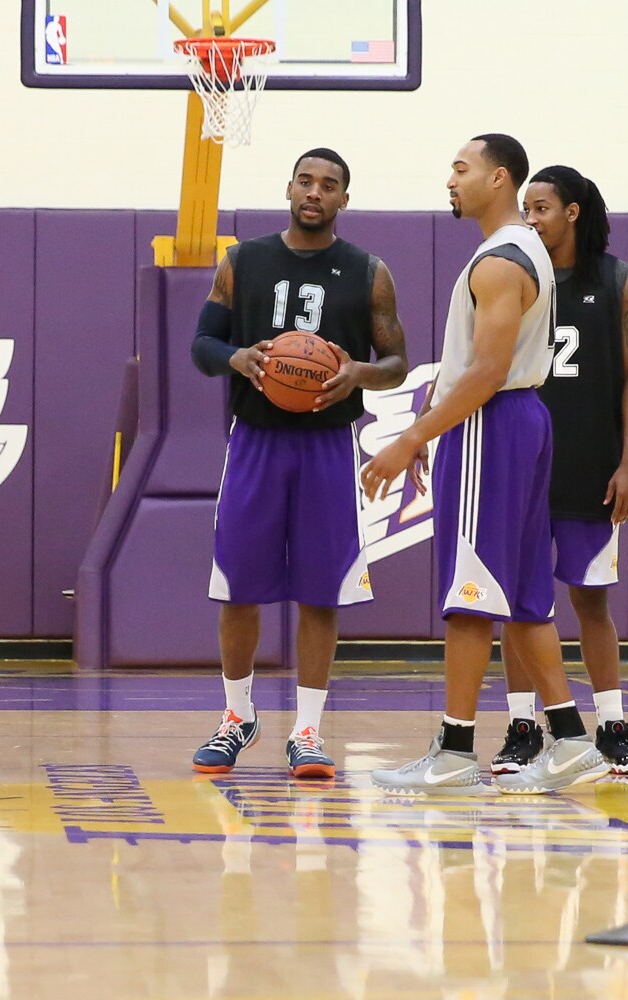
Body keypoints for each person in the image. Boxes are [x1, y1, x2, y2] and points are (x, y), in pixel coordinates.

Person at [362, 134, 608, 795]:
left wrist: (411, 438)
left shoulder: (500, 261)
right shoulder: (522, 250)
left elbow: (488, 371)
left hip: (490, 426)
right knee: (526, 599)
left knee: (470, 593)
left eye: (461, 168)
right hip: (519, 423)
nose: (450, 179)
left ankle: (454, 751)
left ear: (498, 178)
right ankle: (573, 742)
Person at [189, 148, 409, 779]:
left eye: (330, 185)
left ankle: (307, 733)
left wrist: (357, 373)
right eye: (306, 181)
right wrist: (236, 358)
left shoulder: (369, 271)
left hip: (327, 446)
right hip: (256, 440)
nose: (316, 192)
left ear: (344, 198)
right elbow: (203, 344)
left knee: (322, 589)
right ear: (289, 188)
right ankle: (237, 717)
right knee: (237, 585)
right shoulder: (243, 261)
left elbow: (396, 362)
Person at [493, 165, 628, 777]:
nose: (529, 218)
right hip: (520, 458)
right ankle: (522, 727)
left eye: (540, 207)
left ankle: (612, 726)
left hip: (589, 460)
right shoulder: (513, 274)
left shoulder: (619, 280)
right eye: (525, 208)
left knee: (591, 600)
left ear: (572, 212)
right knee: (518, 604)